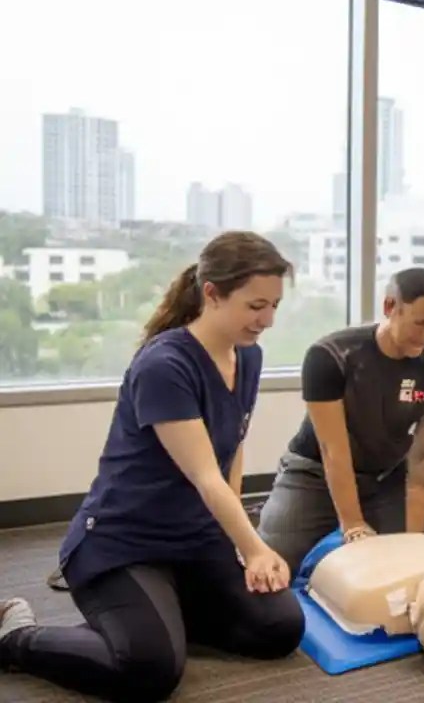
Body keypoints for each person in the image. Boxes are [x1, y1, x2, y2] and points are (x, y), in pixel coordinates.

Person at [0, 232, 302, 703]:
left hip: (195, 540)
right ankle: (14, 636)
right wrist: (255, 547)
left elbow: (232, 446)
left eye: (274, 306)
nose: (266, 320)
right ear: (212, 294)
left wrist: (233, 542)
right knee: (150, 670)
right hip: (121, 544)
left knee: (280, 629)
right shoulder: (166, 364)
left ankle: (155, 619)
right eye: (255, 306)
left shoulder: (248, 355)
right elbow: (205, 475)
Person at [256, 268, 424, 576]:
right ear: (390, 307)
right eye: (420, 323)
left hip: (387, 477)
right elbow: (333, 448)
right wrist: (353, 526)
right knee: (269, 566)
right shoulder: (331, 355)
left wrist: (414, 543)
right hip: (315, 473)